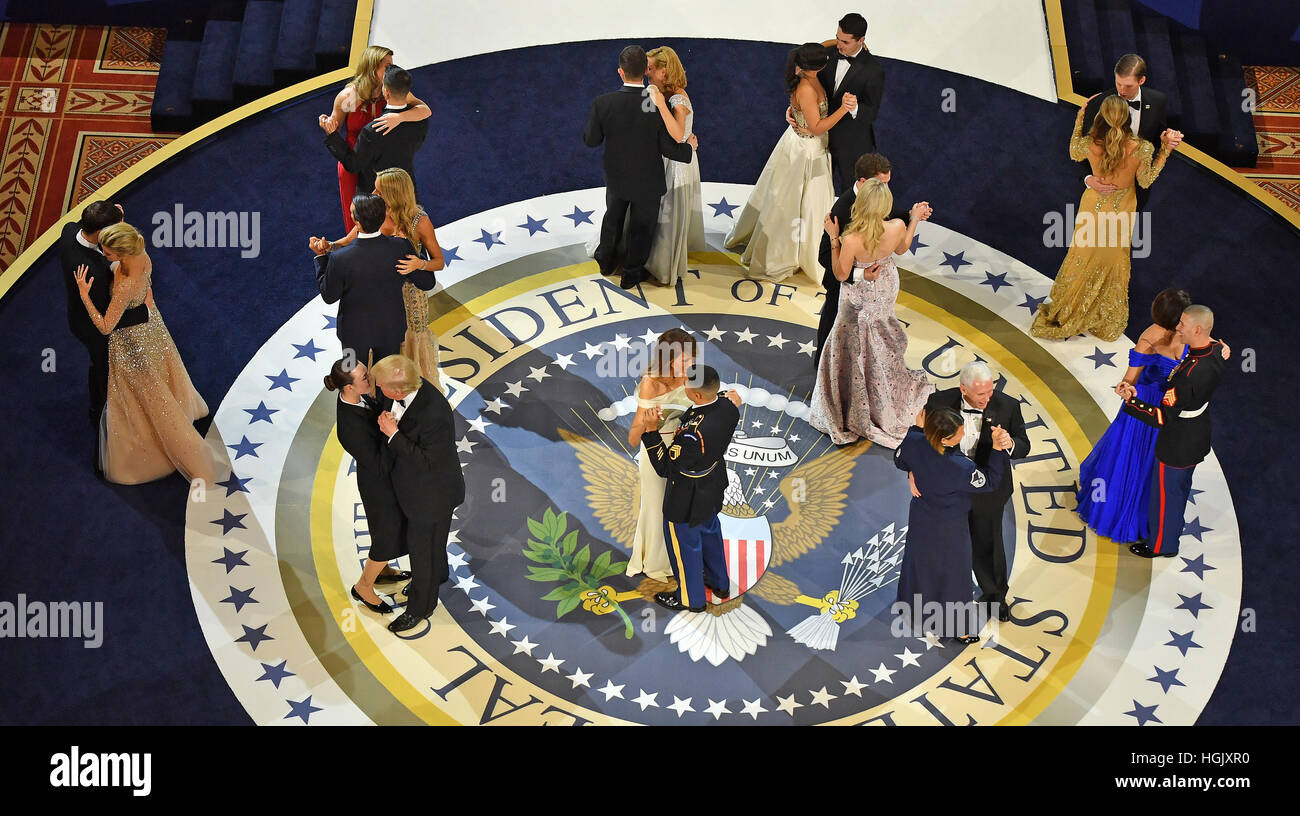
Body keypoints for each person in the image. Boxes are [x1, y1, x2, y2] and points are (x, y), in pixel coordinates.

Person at [1079, 290, 1232, 545]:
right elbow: (1129, 381)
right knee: (1144, 466)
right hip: (1148, 411)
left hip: (1162, 413)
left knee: (1155, 471)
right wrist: (1126, 389)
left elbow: (1205, 341)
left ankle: (1157, 528)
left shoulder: (1172, 335)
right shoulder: (1150, 339)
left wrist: (1220, 348)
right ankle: (1148, 525)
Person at [72, 223, 216, 485]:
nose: (105, 257)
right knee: (163, 376)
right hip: (152, 329)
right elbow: (147, 288)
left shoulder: (125, 285)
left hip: (131, 344)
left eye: (108, 254)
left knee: (146, 394)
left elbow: (105, 327)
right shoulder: (141, 253)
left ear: (121, 253)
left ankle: (161, 443)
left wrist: (84, 295)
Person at [1031, 94, 1180, 342]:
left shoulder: (1089, 143)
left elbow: (1072, 152)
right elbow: (1145, 180)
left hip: (1092, 205)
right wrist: (1165, 151)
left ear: (1101, 117)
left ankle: (1067, 310)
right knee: (1112, 260)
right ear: (1127, 118)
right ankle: (1100, 314)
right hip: (1121, 208)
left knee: (1083, 256)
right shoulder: (1142, 148)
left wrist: (1079, 120)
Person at [810, 178, 933, 447]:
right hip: (886, 284)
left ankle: (852, 401)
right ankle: (882, 393)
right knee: (879, 340)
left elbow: (841, 274)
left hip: (859, 295)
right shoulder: (898, 226)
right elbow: (902, 247)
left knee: (851, 344)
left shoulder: (851, 239)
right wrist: (914, 219)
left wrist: (833, 237)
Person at [725, 43, 854, 284]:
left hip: (805, 144)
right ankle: (791, 254)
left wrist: (836, 42)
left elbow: (817, 49)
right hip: (806, 152)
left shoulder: (804, 69)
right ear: (818, 66)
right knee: (794, 203)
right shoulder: (806, 88)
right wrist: (843, 111)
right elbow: (816, 128)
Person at [625, 329, 742, 582]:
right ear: (667, 358)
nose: (690, 365)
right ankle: (660, 562)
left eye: (691, 358)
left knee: (685, 507)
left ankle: (686, 556)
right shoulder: (651, 382)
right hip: (658, 449)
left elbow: (705, 398)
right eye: (683, 360)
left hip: (686, 450)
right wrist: (644, 429)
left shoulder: (694, 374)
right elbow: (636, 431)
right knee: (659, 508)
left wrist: (726, 398)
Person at [893, 407, 1014, 643]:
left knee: (919, 563)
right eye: (960, 432)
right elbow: (988, 482)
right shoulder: (961, 467)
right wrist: (998, 451)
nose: (964, 433)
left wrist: (915, 430)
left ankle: (914, 609)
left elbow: (900, 460)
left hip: (920, 516)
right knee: (954, 575)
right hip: (950, 527)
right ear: (945, 439)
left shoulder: (915, 440)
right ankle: (959, 629)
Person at [924, 362, 1031, 622]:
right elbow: (925, 441)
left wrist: (1009, 444)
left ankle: (995, 597)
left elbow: (1024, 446)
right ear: (964, 389)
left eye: (990, 391)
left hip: (988, 491)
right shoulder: (938, 401)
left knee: (988, 545)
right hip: (949, 491)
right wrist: (914, 473)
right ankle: (941, 595)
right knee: (944, 543)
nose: (988, 398)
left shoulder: (1008, 406)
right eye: (981, 394)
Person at [583, 45, 697, 290]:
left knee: (617, 217)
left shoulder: (606, 102)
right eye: (646, 67)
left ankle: (607, 261)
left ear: (620, 72)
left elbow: (592, 140)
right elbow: (663, 141)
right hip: (651, 170)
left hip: (631, 171)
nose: (647, 71)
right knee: (642, 225)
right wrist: (689, 150)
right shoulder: (652, 98)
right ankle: (632, 272)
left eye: (651, 67)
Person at [322, 168, 447, 388]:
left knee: (403, 341)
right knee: (379, 338)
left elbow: (439, 262)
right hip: (383, 290)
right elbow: (352, 239)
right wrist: (329, 246)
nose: (373, 192)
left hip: (410, 293)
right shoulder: (375, 212)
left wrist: (420, 263)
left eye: (378, 190)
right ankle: (372, 385)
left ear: (393, 194)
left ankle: (402, 385)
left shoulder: (419, 220)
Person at [1118, 305, 1225, 558]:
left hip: (1178, 443)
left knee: (1167, 498)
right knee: (1178, 491)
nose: (1178, 327)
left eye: (1183, 325)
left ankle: (1162, 546)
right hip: (1197, 433)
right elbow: (1221, 349)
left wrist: (1132, 401)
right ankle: (1168, 534)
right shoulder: (1218, 351)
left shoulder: (1188, 376)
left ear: (1197, 330)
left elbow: (1161, 417)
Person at [372, 354, 465, 633]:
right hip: (420, 490)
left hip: (432, 496)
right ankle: (440, 574)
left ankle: (420, 607)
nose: (378, 389)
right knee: (433, 546)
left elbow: (427, 463)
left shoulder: (434, 412)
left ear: (399, 390)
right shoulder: (402, 392)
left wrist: (393, 434)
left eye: (381, 385)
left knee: (421, 552)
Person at [638, 365, 741, 612]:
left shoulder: (691, 436)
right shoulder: (729, 407)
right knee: (711, 533)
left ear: (696, 396)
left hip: (686, 497)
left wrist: (651, 430)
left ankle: (689, 598)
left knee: (686, 547)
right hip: (713, 486)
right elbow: (731, 399)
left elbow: (665, 467)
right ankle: (720, 584)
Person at [814, 152, 925, 366]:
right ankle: (825, 371)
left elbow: (886, 215)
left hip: (877, 288)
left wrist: (911, 214)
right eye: (881, 183)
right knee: (836, 332)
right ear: (864, 182)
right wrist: (860, 274)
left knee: (871, 334)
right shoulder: (843, 210)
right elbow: (824, 256)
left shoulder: (876, 199)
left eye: (887, 183)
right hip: (846, 288)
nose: (885, 190)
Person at [325, 359, 411, 614]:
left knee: (385, 532)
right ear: (349, 388)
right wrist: (391, 432)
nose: (369, 378)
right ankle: (364, 587)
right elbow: (378, 464)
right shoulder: (348, 428)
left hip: (383, 480)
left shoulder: (357, 398)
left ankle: (383, 572)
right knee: (387, 536)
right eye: (364, 377)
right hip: (378, 486)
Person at [59, 201, 149, 437]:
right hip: (91, 327)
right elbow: (106, 320)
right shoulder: (95, 273)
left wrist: (116, 214)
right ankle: (99, 413)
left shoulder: (69, 230)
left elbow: (92, 220)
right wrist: (145, 312)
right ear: (100, 234)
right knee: (102, 369)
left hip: (75, 314)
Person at [319, 46, 430, 232]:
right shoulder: (348, 97)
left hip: (381, 159)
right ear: (372, 68)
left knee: (391, 209)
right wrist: (328, 126)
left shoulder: (391, 89)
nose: (391, 70)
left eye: (391, 65)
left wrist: (400, 117)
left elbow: (425, 110)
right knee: (357, 210)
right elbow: (335, 128)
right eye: (386, 66)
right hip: (353, 157)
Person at [643, 46, 706, 287]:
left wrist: (659, 104)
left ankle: (663, 267)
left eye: (651, 68)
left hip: (678, 165)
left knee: (667, 217)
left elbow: (679, 133)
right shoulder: (660, 90)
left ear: (665, 70)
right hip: (667, 159)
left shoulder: (677, 100)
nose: (646, 72)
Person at [1079, 54, 1170, 213]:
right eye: (1118, 83)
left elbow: (1156, 136)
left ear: (1141, 81)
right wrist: (1089, 179)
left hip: (1135, 190)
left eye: (1128, 86)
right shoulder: (1098, 104)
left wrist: (1166, 139)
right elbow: (1081, 146)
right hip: (1100, 188)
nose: (1121, 90)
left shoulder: (1158, 101)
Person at [818, 12, 886, 192]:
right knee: (816, 189)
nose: (838, 45)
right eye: (837, 38)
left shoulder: (874, 70)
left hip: (852, 143)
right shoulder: (826, 55)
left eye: (845, 42)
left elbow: (871, 113)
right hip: (820, 137)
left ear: (861, 40)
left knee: (851, 193)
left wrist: (855, 107)